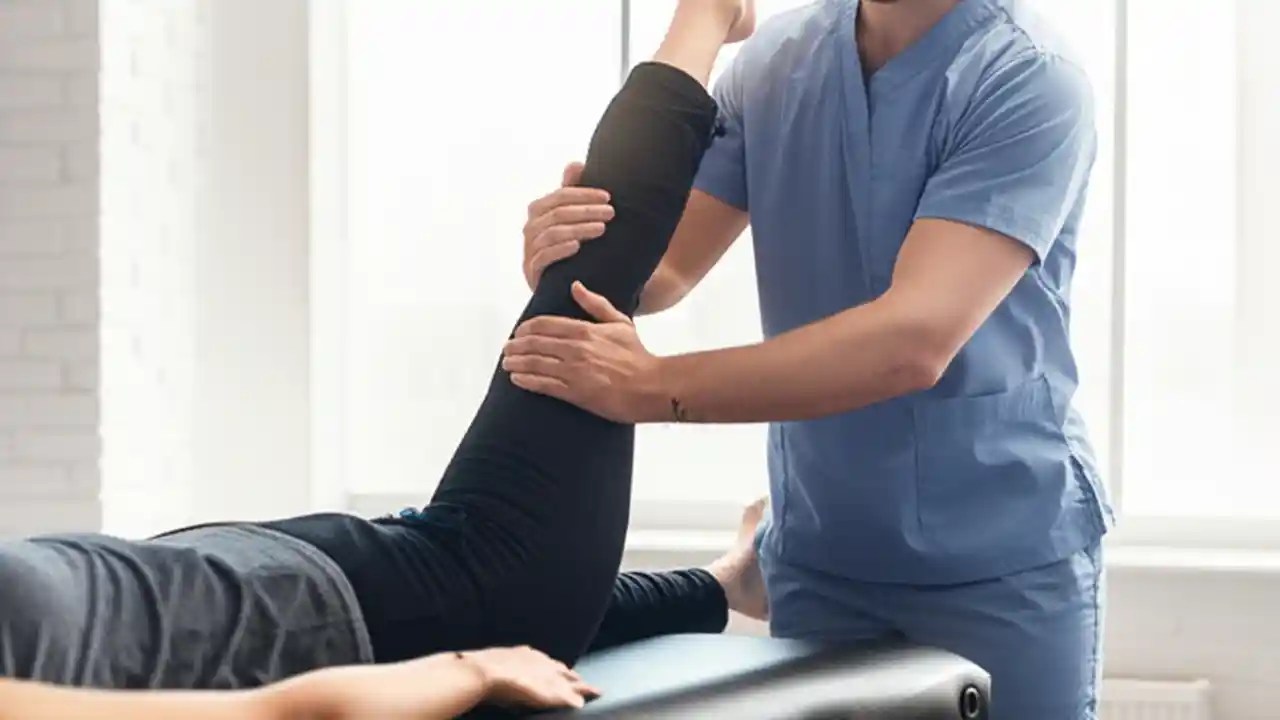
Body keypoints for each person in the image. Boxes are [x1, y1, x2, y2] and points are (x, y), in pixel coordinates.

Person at [0, 0, 760, 713]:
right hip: (272, 592)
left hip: (259, 587)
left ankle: (726, 581)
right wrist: (468, 670)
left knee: (489, 576)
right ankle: (708, 11)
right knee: (583, 299)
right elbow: (282, 714)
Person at [511, 0, 1114, 718]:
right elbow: (664, 267)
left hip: (998, 560)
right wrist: (577, 253)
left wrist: (651, 386)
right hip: (823, 556)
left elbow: (912, 341)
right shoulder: (778, 62)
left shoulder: (1027, 79)